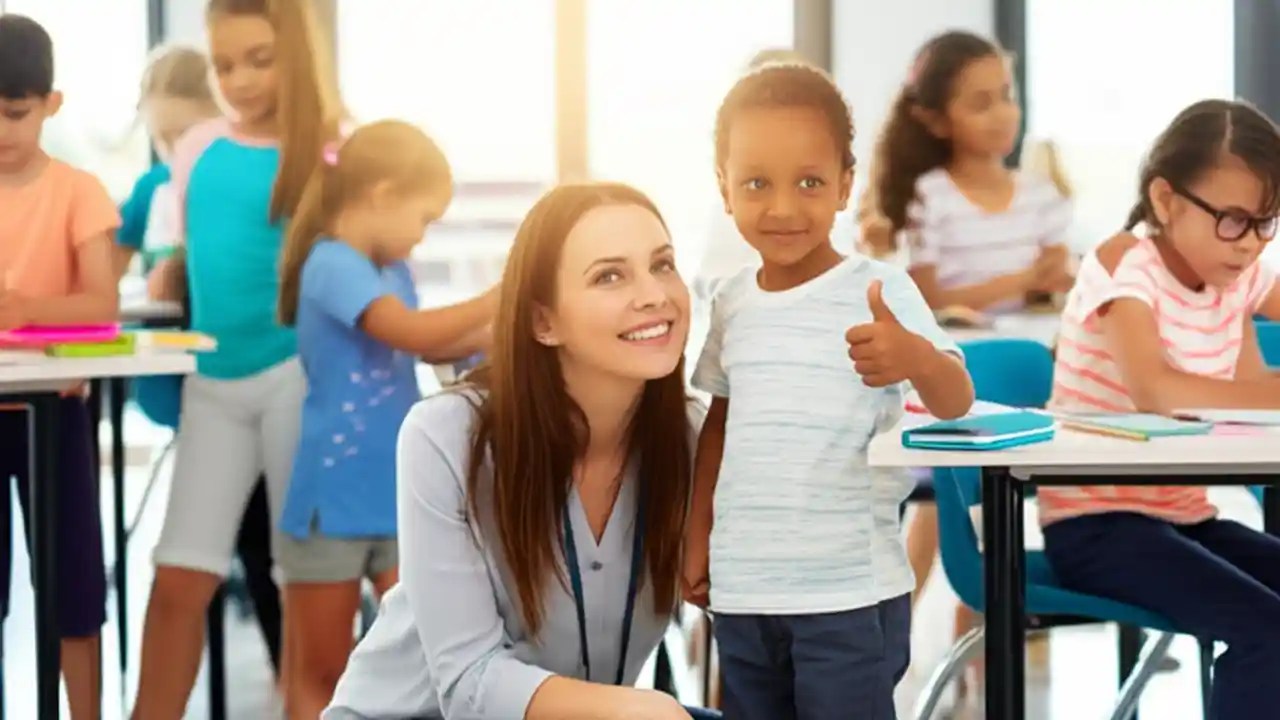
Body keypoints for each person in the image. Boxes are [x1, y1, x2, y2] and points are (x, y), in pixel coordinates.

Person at [324, 182, 717, 720]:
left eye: (662, 264)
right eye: (609, 276)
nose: (654, 295)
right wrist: (650, 711)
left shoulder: (694, 438)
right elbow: (469, 686)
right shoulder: (447, 436)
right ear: (543, 322)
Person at [681, 62, 974, 719]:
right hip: (746, 592)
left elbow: (956, 399)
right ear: (725, 188)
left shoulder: (881, 289)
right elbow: (720, 429)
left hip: (848, 596)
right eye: (756, 183)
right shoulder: (731, 303)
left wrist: (915, 357)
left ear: (845, 185)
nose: (783, 208)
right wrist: (696, 536)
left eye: (809, 182)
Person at [132, 0, 345, 716]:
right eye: (224, 65)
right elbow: (180, 247)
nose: (239, 80)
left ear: (297, 58)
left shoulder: (331, 150)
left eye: (260, 60)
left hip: (298, 380)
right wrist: (169, 264)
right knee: (177, 579)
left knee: (304, 586)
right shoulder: (197, 147)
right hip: (213, 389)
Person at [1043, 99, 1280, 720]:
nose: (1250, 244)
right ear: (1166, 199)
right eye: (1233, 220)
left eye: (1266, 223)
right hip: (1096, 526)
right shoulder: (1125, 261)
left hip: (1184, 518)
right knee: (1268, 633)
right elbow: (1157, 390)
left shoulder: (1236, 275)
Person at [276, 120, 497, 717]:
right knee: (322, 672)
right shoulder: (330, 262)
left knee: (418, 661)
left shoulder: (394, 271)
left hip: (397, 497)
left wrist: (498, 334)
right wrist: (499, 296)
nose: (421, 238)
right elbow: (410, 332)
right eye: (423, 219)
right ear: (382, 195)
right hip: (331, 503)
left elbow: (430, 346)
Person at [0, 14, 121, 719]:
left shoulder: (78, 190)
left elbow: (102, 303)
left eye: (16, 113)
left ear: (52, 104)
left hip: (56, 413)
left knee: (74, 589)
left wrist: (26, 309)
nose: (2, 130)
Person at [870, 30, 1073, 313]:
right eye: (981, 104)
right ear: (937, 121)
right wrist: (1025, 280)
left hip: (1029, 335)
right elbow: (927, 300)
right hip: (955, 338)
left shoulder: (1040, 193)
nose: (1003, 114)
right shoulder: (930, 196)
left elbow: (1055, 278)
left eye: (1007, 96)